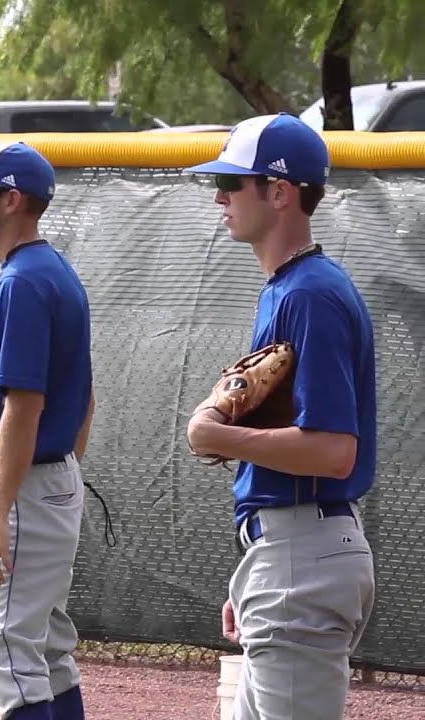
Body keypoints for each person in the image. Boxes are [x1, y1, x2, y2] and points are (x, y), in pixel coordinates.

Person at [183, 112, 378, 720]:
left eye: (233, 182)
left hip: (305, 553)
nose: (220, 195)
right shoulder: (290, 288)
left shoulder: (310, 294)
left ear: (279, 191)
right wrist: (256, 567)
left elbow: (333, 450)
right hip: (288, 552)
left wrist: (222, 436)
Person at [0, 142, 95, 720]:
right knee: (47, 647)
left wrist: (3, 510)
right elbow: (86, 395)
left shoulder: (23, 283)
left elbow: (23, 407)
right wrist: (63, 472)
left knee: (8, 649)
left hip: (25, 483)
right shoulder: (54, 272)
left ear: (11, 200)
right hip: (49, 478)